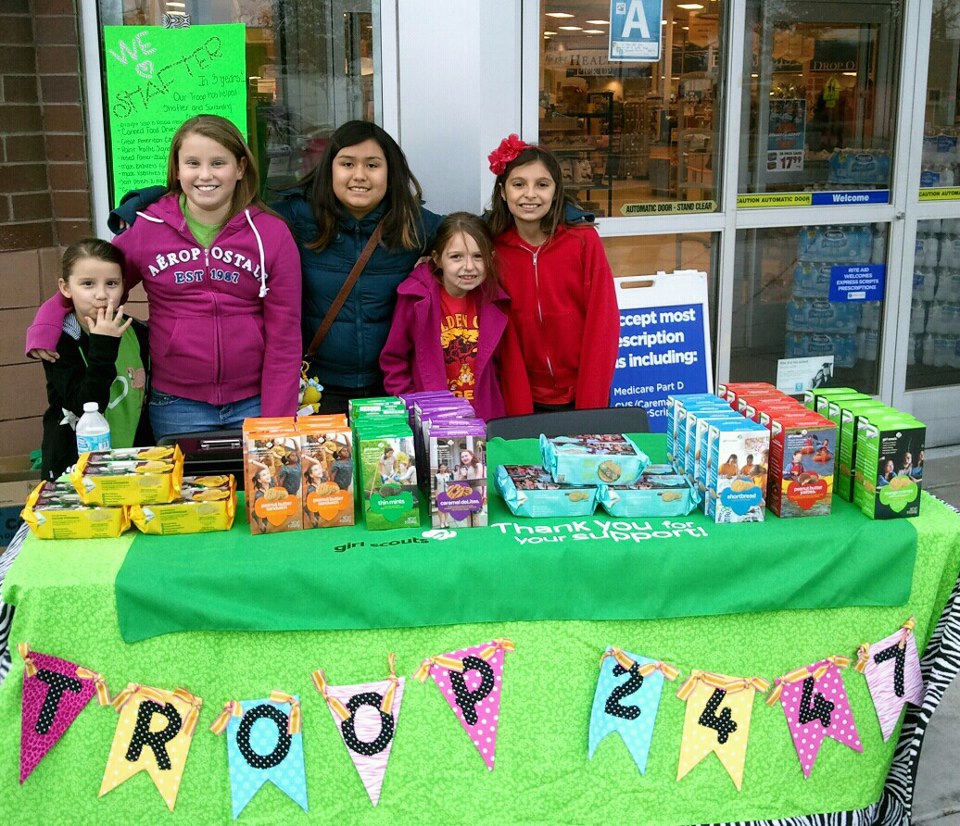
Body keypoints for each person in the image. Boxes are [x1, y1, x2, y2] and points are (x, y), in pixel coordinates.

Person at [25, 115, 302, 441]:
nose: (205, 175)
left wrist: (278, 423)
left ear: (240, 168)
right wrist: (47, 322)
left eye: (218, 163)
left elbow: (285, 337)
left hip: (254, 402)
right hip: (177, 404)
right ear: (177, 169)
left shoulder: (270, 234)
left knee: (257, 492)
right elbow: (96, 285)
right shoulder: (147, 229)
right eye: (192, 163)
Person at [273, 120, 444, 414]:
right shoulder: (296, 217)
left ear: (390, 172)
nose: (360, 176)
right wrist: (165, 199)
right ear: (330, 169)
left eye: (373, 165)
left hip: (391, 386)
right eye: (348, 164)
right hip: (318, 388)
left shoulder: (413, 223)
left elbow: (473, 239)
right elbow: (235, 219)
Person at [486, 134, 620, 411]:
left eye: (542, 185)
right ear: (503, 191)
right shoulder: (493, 248)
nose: (530, 194)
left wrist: (591, 404)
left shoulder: (583, 241)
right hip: (521, 393)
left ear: (556, 191)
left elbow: (603, 323)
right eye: (519, 184)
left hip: (582, 391)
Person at [379, 212, 532, 421]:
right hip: (432, 418)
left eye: (478, 256)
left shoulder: (495, 302)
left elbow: (502, 368)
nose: (469, 266)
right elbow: (394, 360)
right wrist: (412, 406)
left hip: (484, 419)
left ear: (491, 258)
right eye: (456, 257)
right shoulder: (415, 298)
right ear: (437, 259)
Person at [39, 238, 152, 480]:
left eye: (111, 283)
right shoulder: (58, 340)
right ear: (66, 287)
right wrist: (103, 345)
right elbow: (87, 404)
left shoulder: (138, 333)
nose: (101, 295)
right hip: (75, 468)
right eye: (87, 284)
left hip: (132, 462)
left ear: (124, 286)